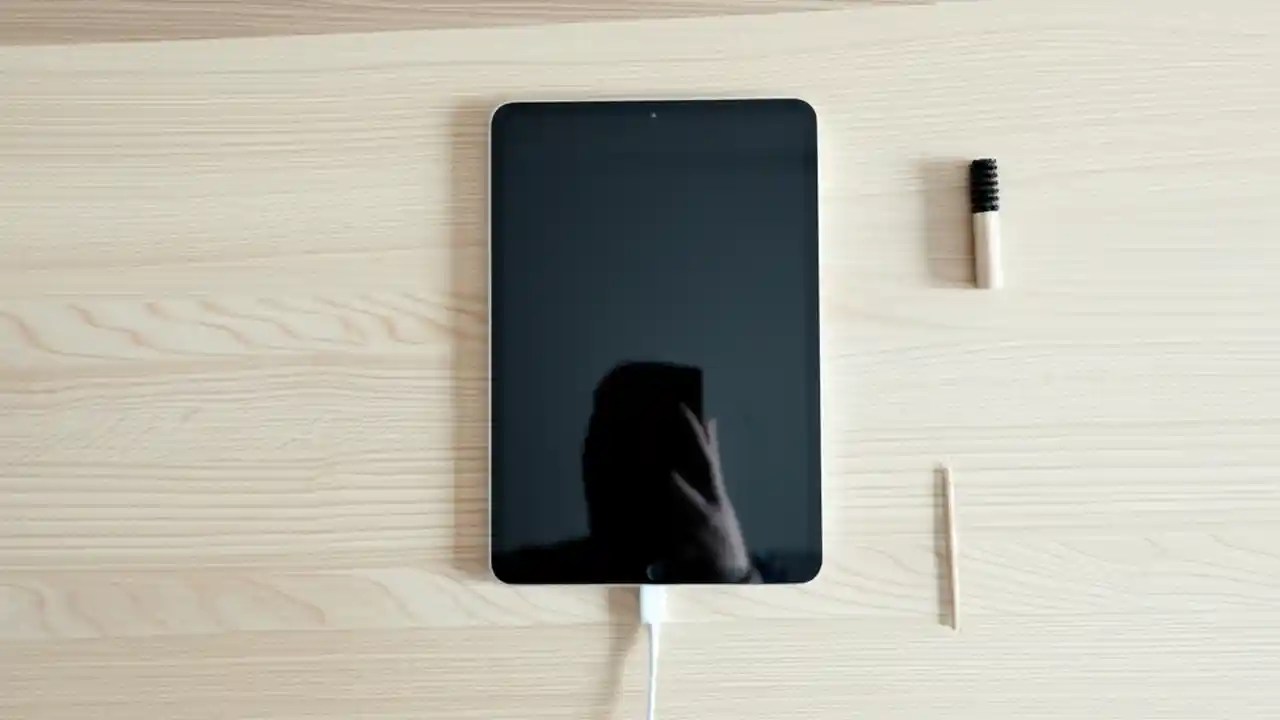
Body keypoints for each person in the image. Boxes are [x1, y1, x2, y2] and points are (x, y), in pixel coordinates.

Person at [492, 362, 761, 584]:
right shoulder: (523, 575)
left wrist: (734, 570)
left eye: (633, 445)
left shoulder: (752, 575)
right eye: (598, 444)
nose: (593, 463)